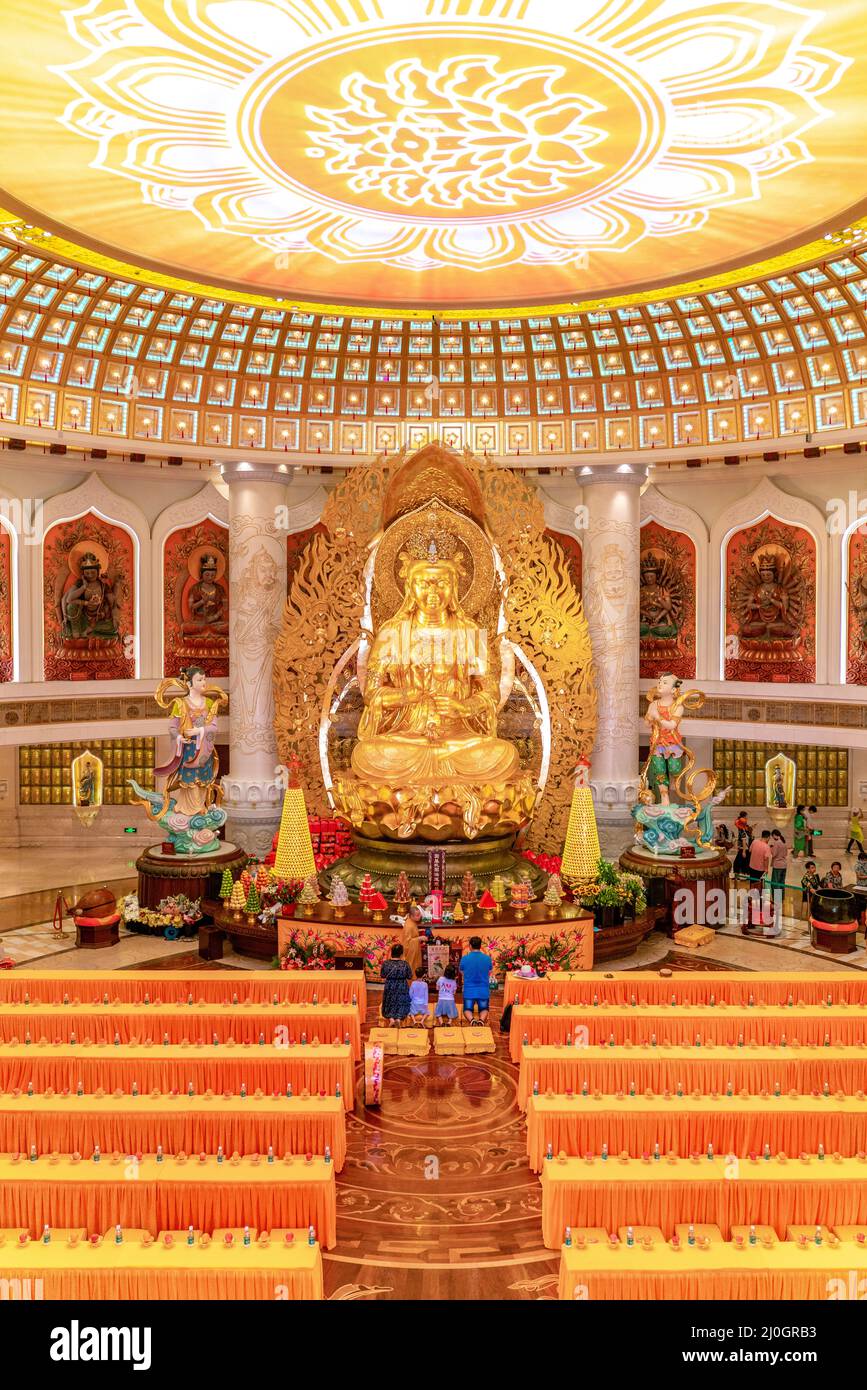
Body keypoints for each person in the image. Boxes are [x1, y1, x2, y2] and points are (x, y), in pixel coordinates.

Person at [460, 935, 494, 1025]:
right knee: (484, 1009)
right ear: (480, 946)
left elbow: (461, 971)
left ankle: (472, 1020)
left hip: (469, 989)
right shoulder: (487, 958)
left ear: (470, 946)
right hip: (483, 989)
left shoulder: (465, 958)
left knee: (467, 1009)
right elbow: (490, 971)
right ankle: (481, 1021)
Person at [744, 829, 771, 932]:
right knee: (760, 887)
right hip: (760, 869)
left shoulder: (755, 842)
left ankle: (752, 900)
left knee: (752, 885)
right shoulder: (766, 847)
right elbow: (766, 859)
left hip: (752, 867)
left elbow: (750, 851)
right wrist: (766, 869)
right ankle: (758, 905)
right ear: (768, 837)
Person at [381, 943, 412, 1025]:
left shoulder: (386, 963)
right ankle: (398, 1018)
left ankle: (391, 1019)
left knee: (389, 1001)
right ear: (401, 954)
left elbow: (383, 975)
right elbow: (409, 976)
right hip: (402, 985)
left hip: (390, 985)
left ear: (391, 952)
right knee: (401, 1001)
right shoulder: (405, 964)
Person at [732, 811, 752, 877]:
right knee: (744, 863)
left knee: (738, 863)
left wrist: (743, 851)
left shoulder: (742, 831)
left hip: (744, 849)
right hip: (745, 849)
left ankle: (741, 875)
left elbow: (744, 841)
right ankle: (744, 875)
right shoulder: (744, 830)